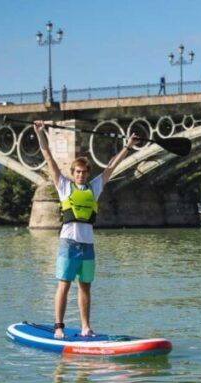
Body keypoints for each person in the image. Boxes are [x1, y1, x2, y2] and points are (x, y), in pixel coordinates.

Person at [34, 120, 138, 339]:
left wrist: (128, 147)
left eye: (84, 172)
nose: (81, 175)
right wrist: (40, 133)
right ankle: (59, 326)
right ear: (73, 173)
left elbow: (111, 167)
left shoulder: (95, 187)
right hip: (68, 244)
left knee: (85, 287)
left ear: (88, 173)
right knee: (64, 285)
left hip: (88, 245)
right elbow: (48, 158)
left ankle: (85, 327)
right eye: (77, 172)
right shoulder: (63, 186)